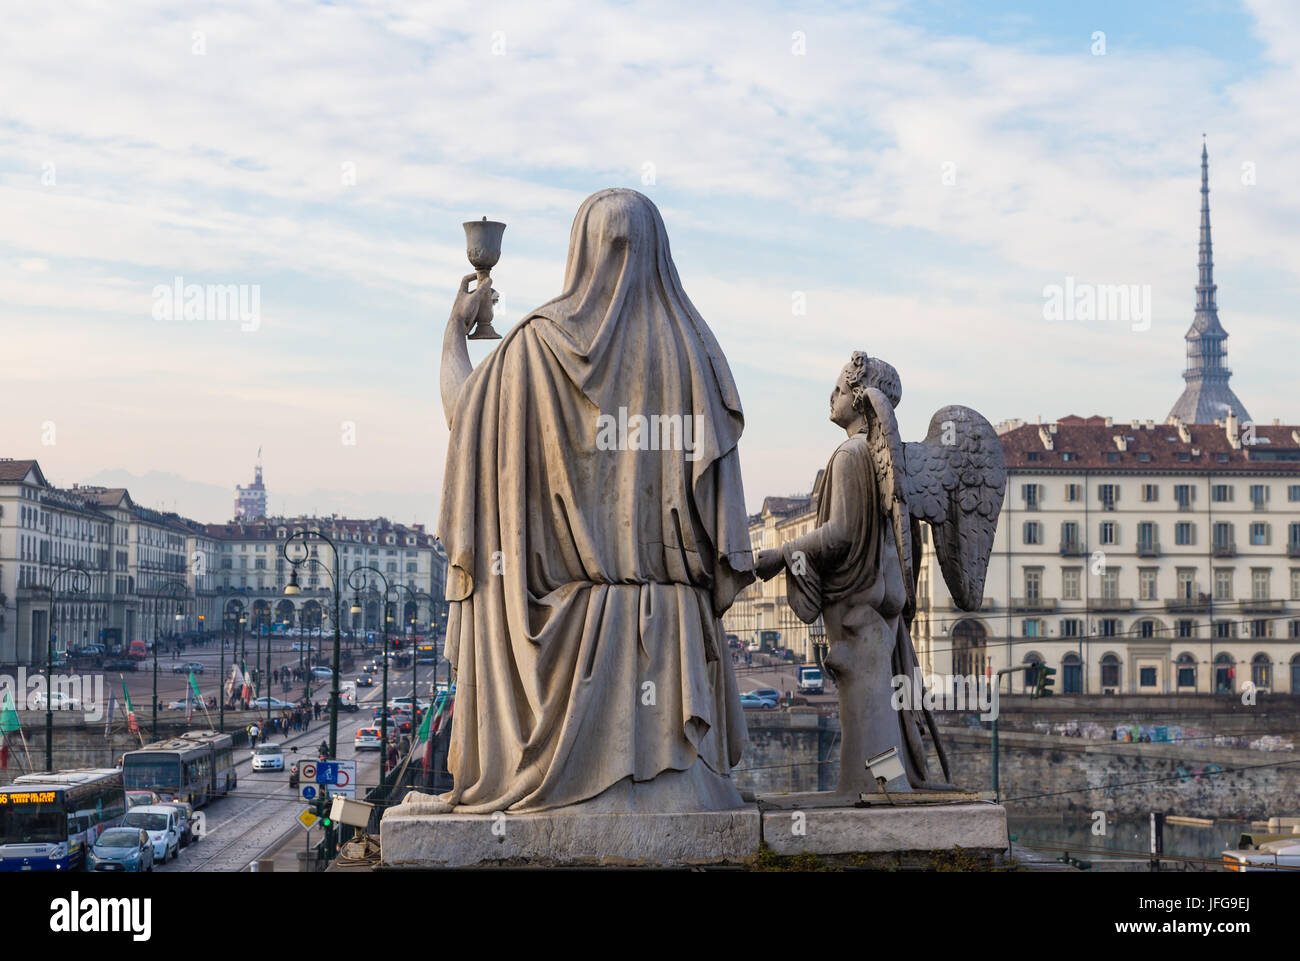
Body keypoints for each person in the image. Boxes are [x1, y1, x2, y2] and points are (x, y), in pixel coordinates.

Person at [431, 189, 752, 815]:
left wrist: (455, 328)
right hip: (675, 638)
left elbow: (465, 419)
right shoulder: (698, 352)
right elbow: (722, 526)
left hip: (558, 647)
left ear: (578, 249)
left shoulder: (535, 346)